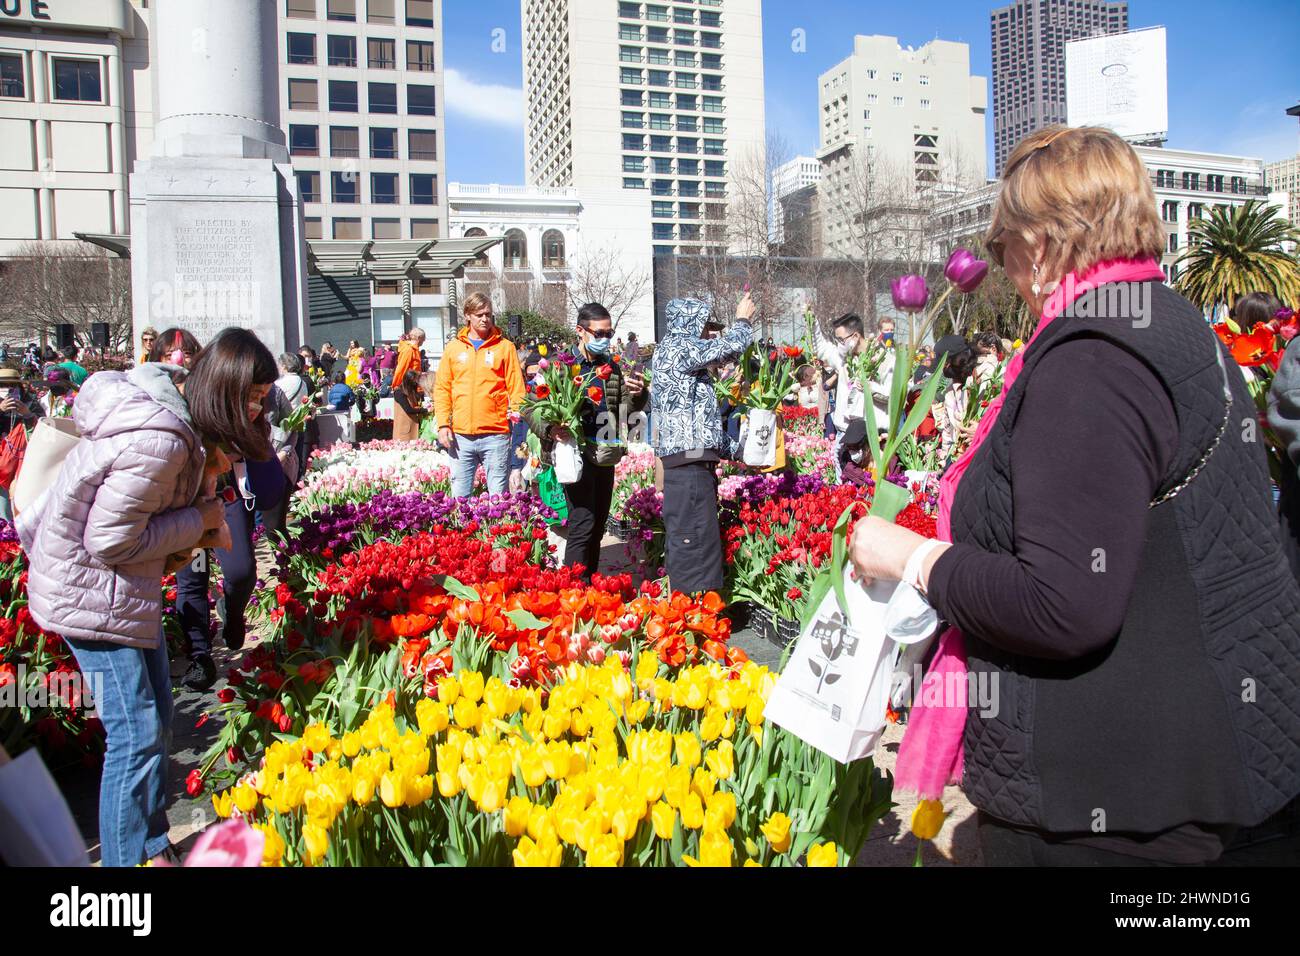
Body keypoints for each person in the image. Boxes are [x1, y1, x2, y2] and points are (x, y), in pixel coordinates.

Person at [848, 124, 1300, 866]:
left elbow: (1064, 603)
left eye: (1002, 247)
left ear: (1044, 239)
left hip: (1106, 790)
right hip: (1175, 757)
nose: (1003, 269)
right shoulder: (1169, 320)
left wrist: (914, 557)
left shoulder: (1093, 359)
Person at [15, 327, 276, 866]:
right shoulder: (162, 440)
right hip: (89, 593)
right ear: (226, 391)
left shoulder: (183, 430)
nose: (257, 412)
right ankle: (125, 868)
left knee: (155, 717)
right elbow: (110, 540)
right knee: (134, 734)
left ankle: (151, 844)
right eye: (252, 399)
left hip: (119, 593)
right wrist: (199, 520)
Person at [524, 303, 647, 578]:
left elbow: (626, 408)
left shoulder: (610, 367)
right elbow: (530, 407)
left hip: (604, 452)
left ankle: (590, 583)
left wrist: (638, 394)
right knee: (582, 521)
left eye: (609, 332)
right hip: (573, 452)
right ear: (580, 331)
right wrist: (551, 429)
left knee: (599, 522)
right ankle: (574, 590)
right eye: (599, 333)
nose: (605, 338)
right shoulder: (559, 365)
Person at [651, 294, 755, 595]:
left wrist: (738, 452)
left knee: (698, 537)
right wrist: (743, 319)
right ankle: (695, 615)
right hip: (689, 465)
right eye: (706, 327)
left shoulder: (680, 356)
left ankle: (696, 612)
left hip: (693, 460)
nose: (711, 334)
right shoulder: (679, 348)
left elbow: (700, 423)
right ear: (689, 323)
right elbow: (732, 346)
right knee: (693, 540)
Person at [434, 296, 525, 495]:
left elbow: (517, 391)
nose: (485, 319)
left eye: (488, 314)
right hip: (460, 437)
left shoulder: (505, 347)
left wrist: (518, 429)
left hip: (496, 436)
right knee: (460, 499)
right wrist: (442, 425)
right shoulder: (453, 348)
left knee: (498, 501)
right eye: (479, 315)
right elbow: (442, 389)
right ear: (467, 316)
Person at [815, 313, 893, 442]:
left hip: (873, 437)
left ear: (855, 336)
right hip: (844, 434)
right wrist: (812, 319)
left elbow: (895, 395)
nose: (839, 344)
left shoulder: (884, 360)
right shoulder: (842, 358)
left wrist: (871, 388)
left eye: (841, 340)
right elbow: (821, 347)